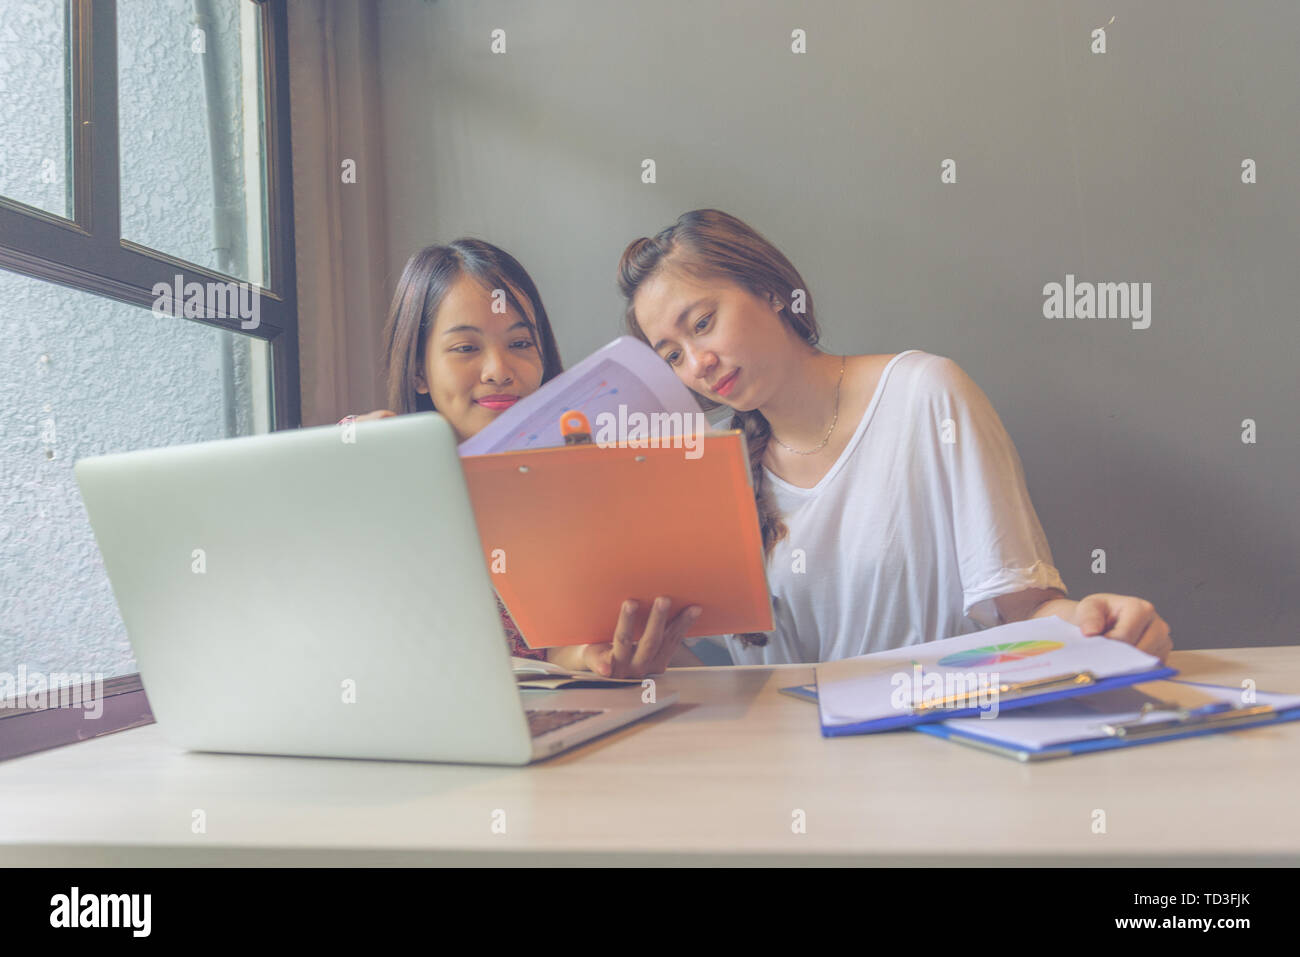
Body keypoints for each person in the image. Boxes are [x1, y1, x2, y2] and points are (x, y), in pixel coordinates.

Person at [617, 208, 1172, 665]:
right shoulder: (710, 464)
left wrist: (1097, 623)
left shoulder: (926, 394)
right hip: (785, 767)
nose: (699, 363)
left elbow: (1022, 612)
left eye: (703, 322)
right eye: (672, 355)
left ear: (768, 290)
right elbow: (712, 666)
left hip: (941, 742)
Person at [347, 239, 702, 676]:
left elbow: (557, 651)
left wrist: (595, 658)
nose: (499, 369)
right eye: (465, 348)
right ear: (419, 370)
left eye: (520, 343)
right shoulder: (377, 476)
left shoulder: (573, 492)